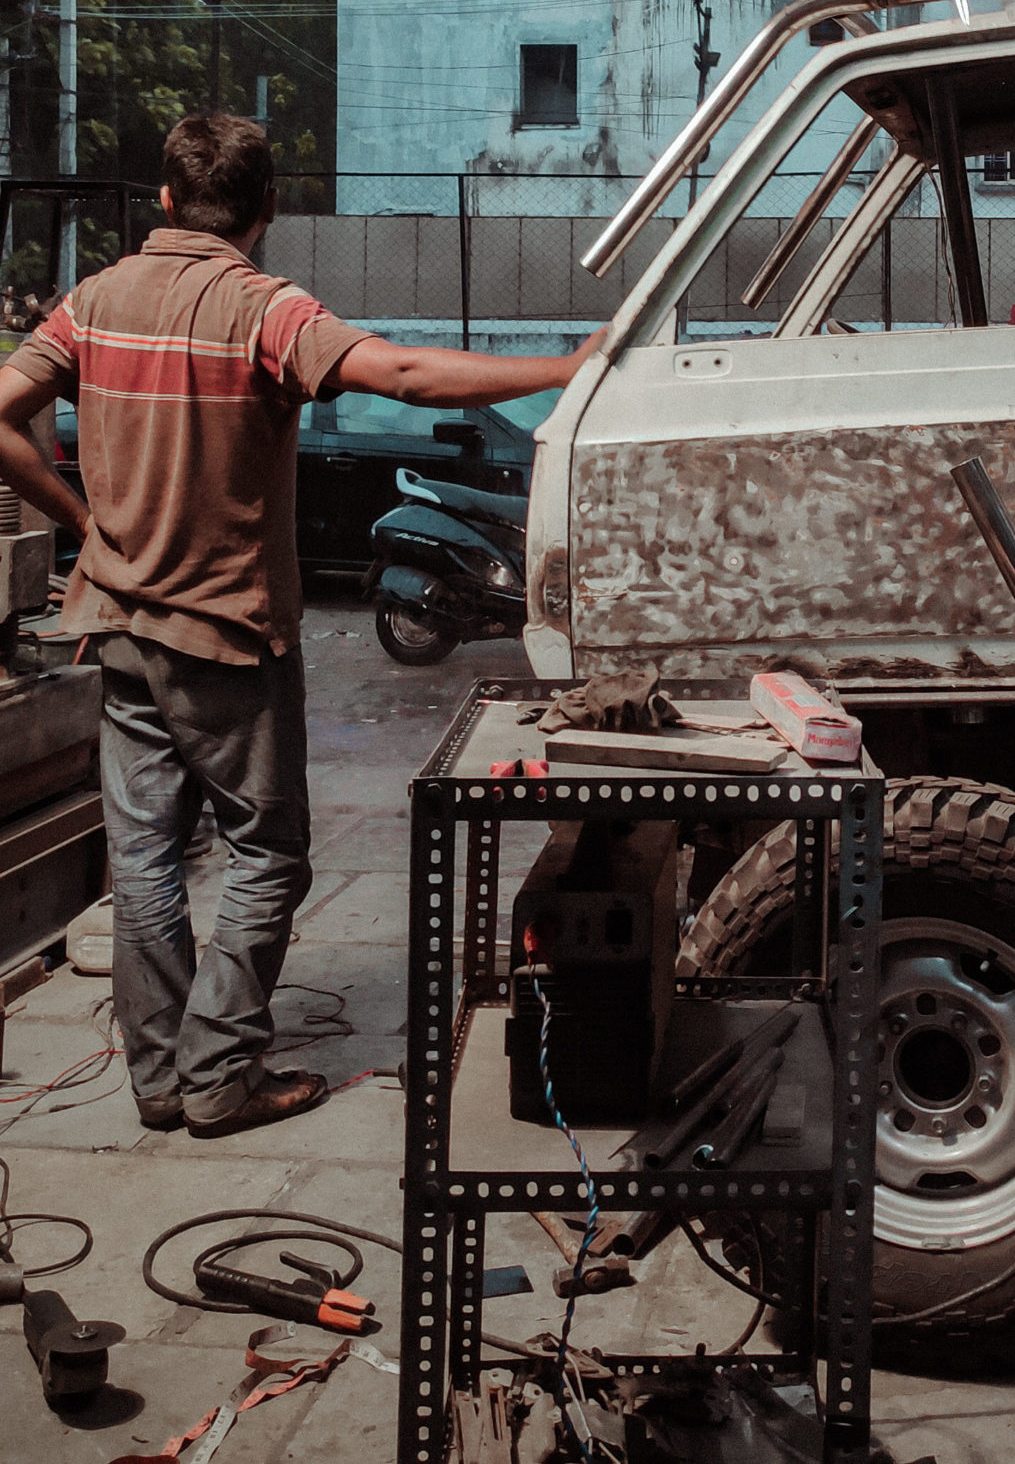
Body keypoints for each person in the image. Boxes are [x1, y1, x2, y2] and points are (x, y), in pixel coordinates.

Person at [0, 113, 604, 1138]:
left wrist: (82, 524)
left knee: (143, 858)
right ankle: (219, 1078)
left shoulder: (92, 303)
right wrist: (562, 367)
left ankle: (159, 1081)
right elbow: (402, 374)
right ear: (266, 209)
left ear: (164, 202)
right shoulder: (262, 309)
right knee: (266, 854)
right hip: (225, 633)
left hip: (120, 626)